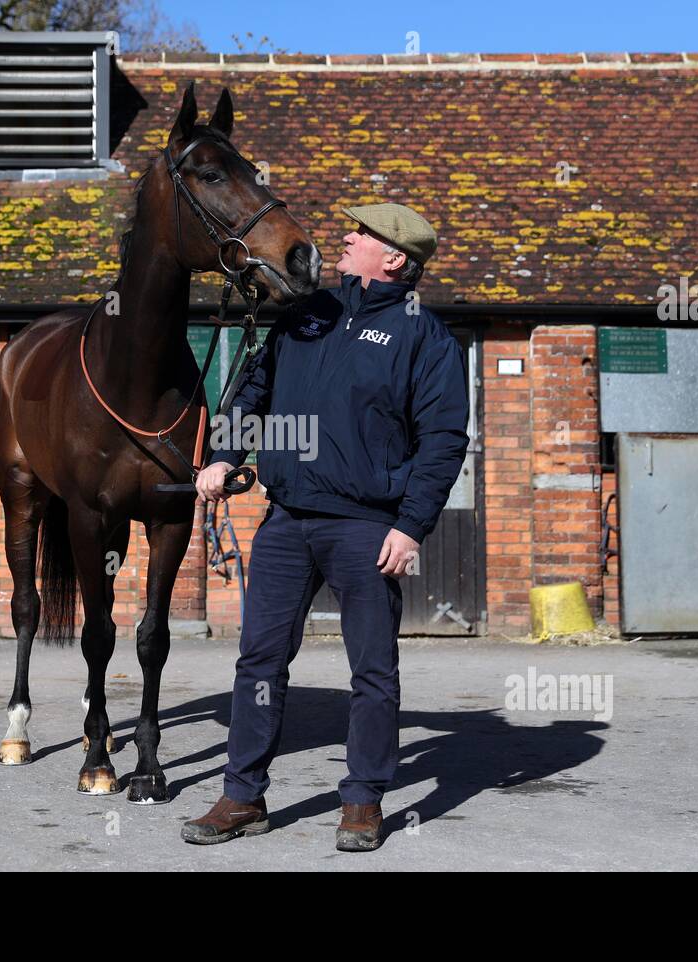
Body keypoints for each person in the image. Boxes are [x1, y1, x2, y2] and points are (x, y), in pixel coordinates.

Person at [182, 203, 470, 852]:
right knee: (258, 661)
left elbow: (443, 439)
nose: (346, 235)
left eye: (362, 233)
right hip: (286, 521)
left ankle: (363, 801)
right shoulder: (307, 313)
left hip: (367, 528)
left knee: (371, 670)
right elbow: (252, 391)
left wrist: (412, 526)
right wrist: (227, 453)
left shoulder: (423, 335)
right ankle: (242, 796)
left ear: (394, 258)